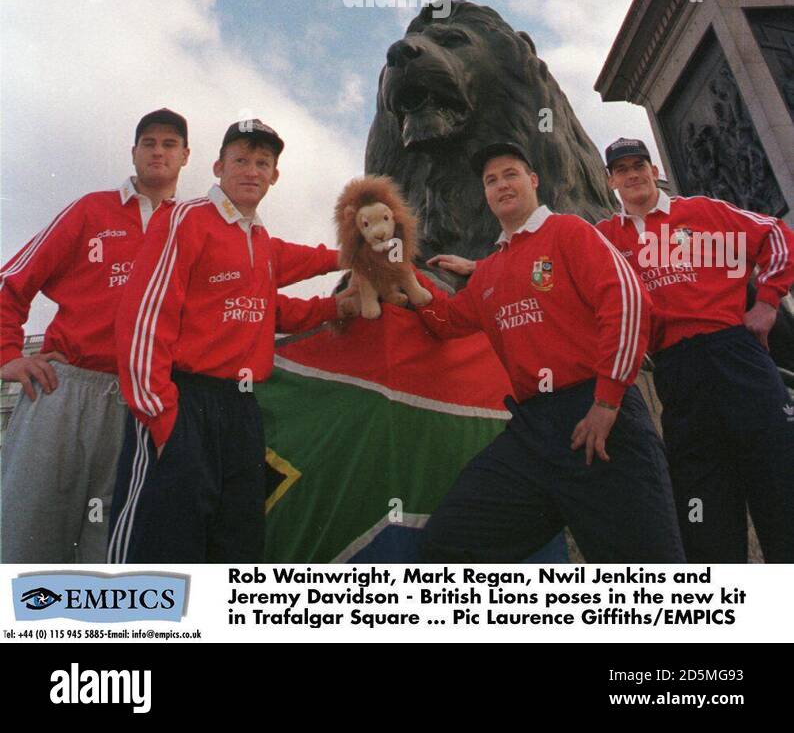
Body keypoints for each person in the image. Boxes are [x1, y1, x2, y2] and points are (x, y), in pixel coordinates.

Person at [408, 142, 684, 562]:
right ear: (485, 194)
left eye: (511, 174)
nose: (502, 185)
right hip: (532, 431)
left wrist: (607, 401)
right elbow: (447, 322)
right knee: (447, 544)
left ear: (533, 180)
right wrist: (404, 276)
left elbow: (627, 301)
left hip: (600, 420)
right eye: (491, 180)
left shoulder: (569, 231)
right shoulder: (490, 270)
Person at [108, 119, 358, 563]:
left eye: (262, 163)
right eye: (240, 160)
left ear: (274, 176)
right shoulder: (186, 219)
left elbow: (278, 303)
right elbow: (144, 317)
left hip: (240, 409)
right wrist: (161, 416)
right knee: (161, 546)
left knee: (235, 543)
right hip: (182, 401)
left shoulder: (260, 240)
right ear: (218, 166)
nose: (251, 171)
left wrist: (356, 267)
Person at [0, 108, 190, 562]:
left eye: (169, 144)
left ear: (185, 156)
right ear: (134, 152)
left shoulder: (191, 224)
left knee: (110, 551)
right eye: (149, 143)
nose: (158, 151)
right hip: (64, 390)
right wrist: (7, 352)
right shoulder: (92, 209)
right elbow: (12, 281)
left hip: (139, 402)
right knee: (27, 536)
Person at [597, 137, 794, 562]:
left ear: (653, 171)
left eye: (639, 164)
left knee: (781, 491)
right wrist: (483, 268)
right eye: (622, 169)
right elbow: (552, 266)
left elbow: (777, 236)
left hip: (735, 357)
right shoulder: (606, 239)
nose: (633, 174)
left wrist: (767, 302)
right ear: (611, 180)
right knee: (704, 518)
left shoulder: (703, 211)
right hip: (678, 374)